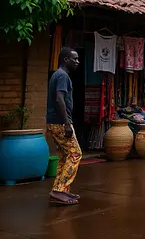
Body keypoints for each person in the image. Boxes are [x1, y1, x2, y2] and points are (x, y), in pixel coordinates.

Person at [47, 47, 82, 206]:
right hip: (61, 123)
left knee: (64, 156)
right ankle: (59, 191)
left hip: (55, 122)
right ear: (66, 59)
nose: (77, 62)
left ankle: (61, 190)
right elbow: (59, 99)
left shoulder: (58, 75)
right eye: (74, 59)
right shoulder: (62, 76)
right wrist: (67, 122)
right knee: (75, 154)